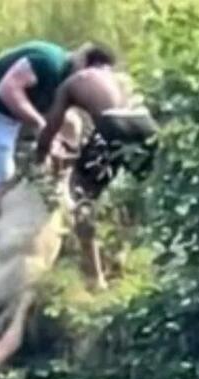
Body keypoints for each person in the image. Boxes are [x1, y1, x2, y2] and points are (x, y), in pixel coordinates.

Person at [0, 40, 117, 280]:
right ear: (83, 64)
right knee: (1, 188)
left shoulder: (68, 78)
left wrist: (58, 144)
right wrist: (42, 127)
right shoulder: (47, 62)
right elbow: (7, 90)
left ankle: (54, 188)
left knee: (72, 124)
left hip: (9, 119)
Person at [35, 68, 159, 290]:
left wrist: (41, 154)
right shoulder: (115, 82)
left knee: (81, 196)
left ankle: (95, 277)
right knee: (137, 192)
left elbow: (52, 126)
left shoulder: (71, 84)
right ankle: (122, 252)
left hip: (112, 125)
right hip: (146, 125)